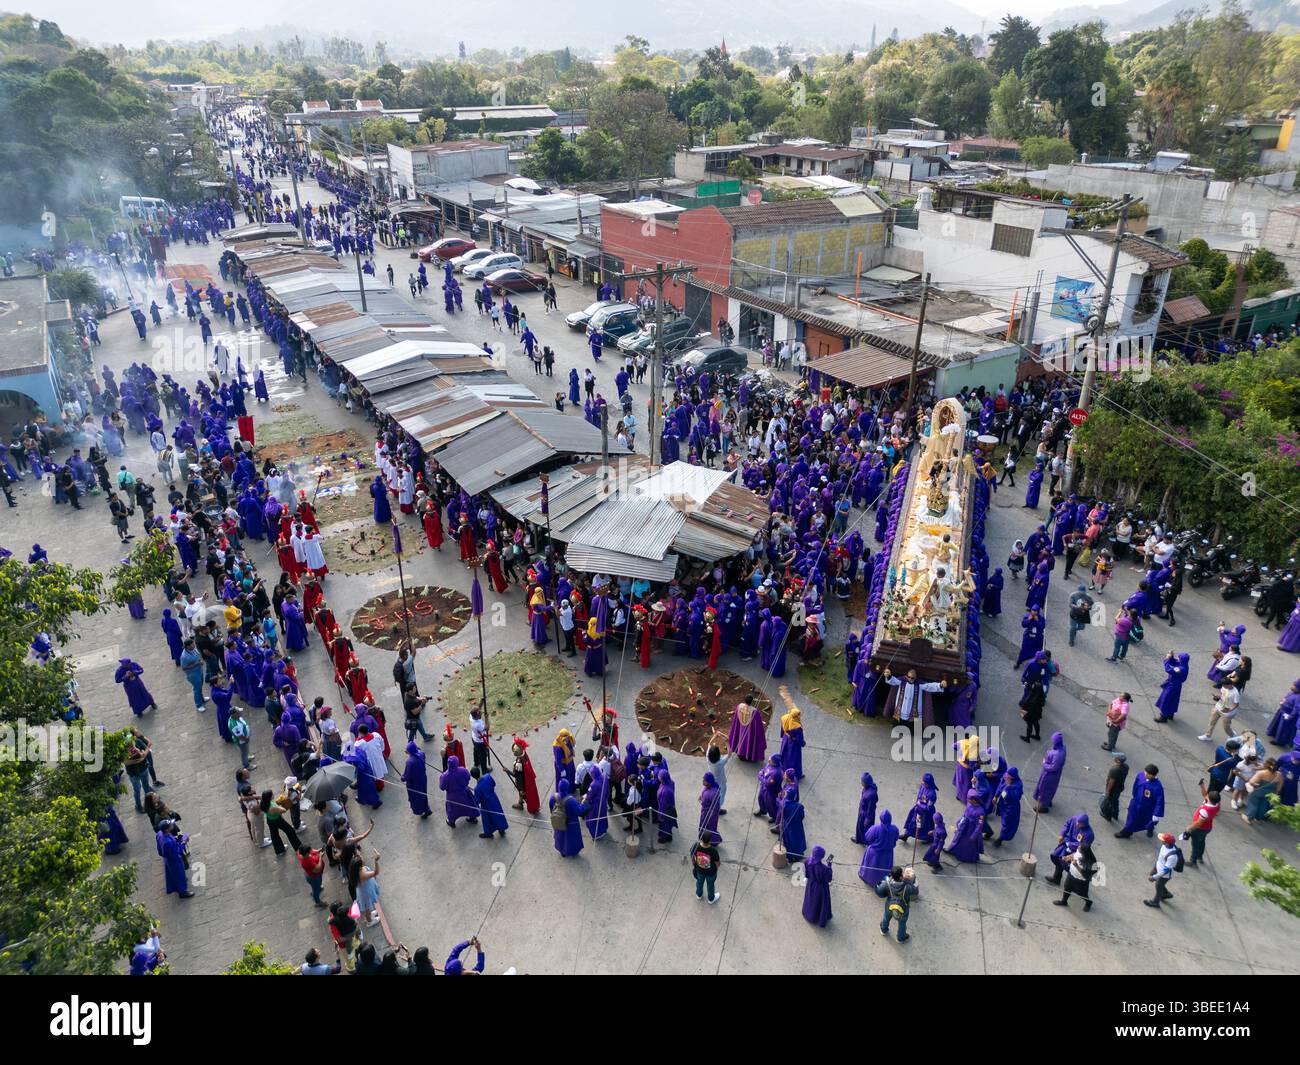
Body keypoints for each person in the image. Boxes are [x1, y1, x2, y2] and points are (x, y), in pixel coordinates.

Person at [1114, 764, 1164, 839]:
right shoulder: (1141, 775)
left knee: (1148, 820)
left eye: (1148, 774)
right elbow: (1135, 785)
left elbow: (1160, 801)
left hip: (1147, 807)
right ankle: (1127, 832)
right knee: (1131, 818)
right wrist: (1134, 795)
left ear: (1153, 775)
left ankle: (1150, 828)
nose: (1145, 774)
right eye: (1145, 772)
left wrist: (1156, 814)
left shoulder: (1157, 787)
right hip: (1136, 803)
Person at [1181, 780, 1220, 866]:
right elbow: (1205, 795)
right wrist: (1202, 786)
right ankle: (1200, 856)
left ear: (1209, 799)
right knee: (1202, 841)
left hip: (1199, 829)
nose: (1207, 795)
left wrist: (1189, 828)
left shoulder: (1205, 810)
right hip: (1208, 828)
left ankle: (1193, 860)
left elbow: (1199, 823)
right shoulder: (1216, 804)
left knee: (1195, 844)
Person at [876, 866, 918, 943]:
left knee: (886, 918)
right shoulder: (907, 887)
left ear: (892, 876)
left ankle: (883, 929)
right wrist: (912, 881)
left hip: (889, 906)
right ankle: (900, 937)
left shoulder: (887, 884)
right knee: (902, 924)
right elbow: (916, 891)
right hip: (903, 909)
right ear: (901, 876)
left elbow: (880, 891)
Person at [1052, 843, 1098, 911]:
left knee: (1082, 894)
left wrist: (1076, 865)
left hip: (1081, 880)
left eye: (1079, 848)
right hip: (1071, 875)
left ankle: (1088, 902)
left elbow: (1086, 874)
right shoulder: (1079, 851)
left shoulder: (1090, 862)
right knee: (1067, 888)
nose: (1078, 848)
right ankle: (1064, 901)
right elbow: (1074, 854)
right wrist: (1068, 857)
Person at [1143, 832, 1181, 908]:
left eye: (1163, 840)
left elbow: (1166, 870)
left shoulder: (1172, 856)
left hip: (1164, 875)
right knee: (1160, 885)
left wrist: (1155, 877)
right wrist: (1155, 868)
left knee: (1158, 886)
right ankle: (1166, 893)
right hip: (1158, 866)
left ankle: (1155, 902)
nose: (1161, 840)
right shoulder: (1165, 846)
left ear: (1166, 842)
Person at [801, 846, 834, 927]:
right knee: (820, 902)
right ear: (822, 857)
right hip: (821, 888)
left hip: (811, 884)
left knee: (810, 899)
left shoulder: (807, 861)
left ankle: (808, 914)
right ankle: (818, 918)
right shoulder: (823, 869)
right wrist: (829, 866)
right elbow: (829, 878)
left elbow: (807, 874)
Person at [690, 831, 721, 904]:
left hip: (699, 870)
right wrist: (715, 869)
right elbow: (718, 863)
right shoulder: (713, 850)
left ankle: (699, 895)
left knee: (699, 882)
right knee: (710, 885)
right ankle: (711, 899)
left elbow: (692, 856)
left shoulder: (696, 845)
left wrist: (694, 864)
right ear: (710, 840)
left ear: (701, 838)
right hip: (711, 873)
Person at [1099, 753, 1129, 822]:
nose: (1114, 758)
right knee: (1116, 801)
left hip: (1113, 789)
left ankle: (1108, 815)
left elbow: (1111, 782)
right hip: (1120, 787)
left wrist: (1108, 791)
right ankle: (1115, 814)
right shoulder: (1126, 767)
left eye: (1116, 757)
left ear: (1118, 761)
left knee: (1109, 802)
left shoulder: (1114, 770)